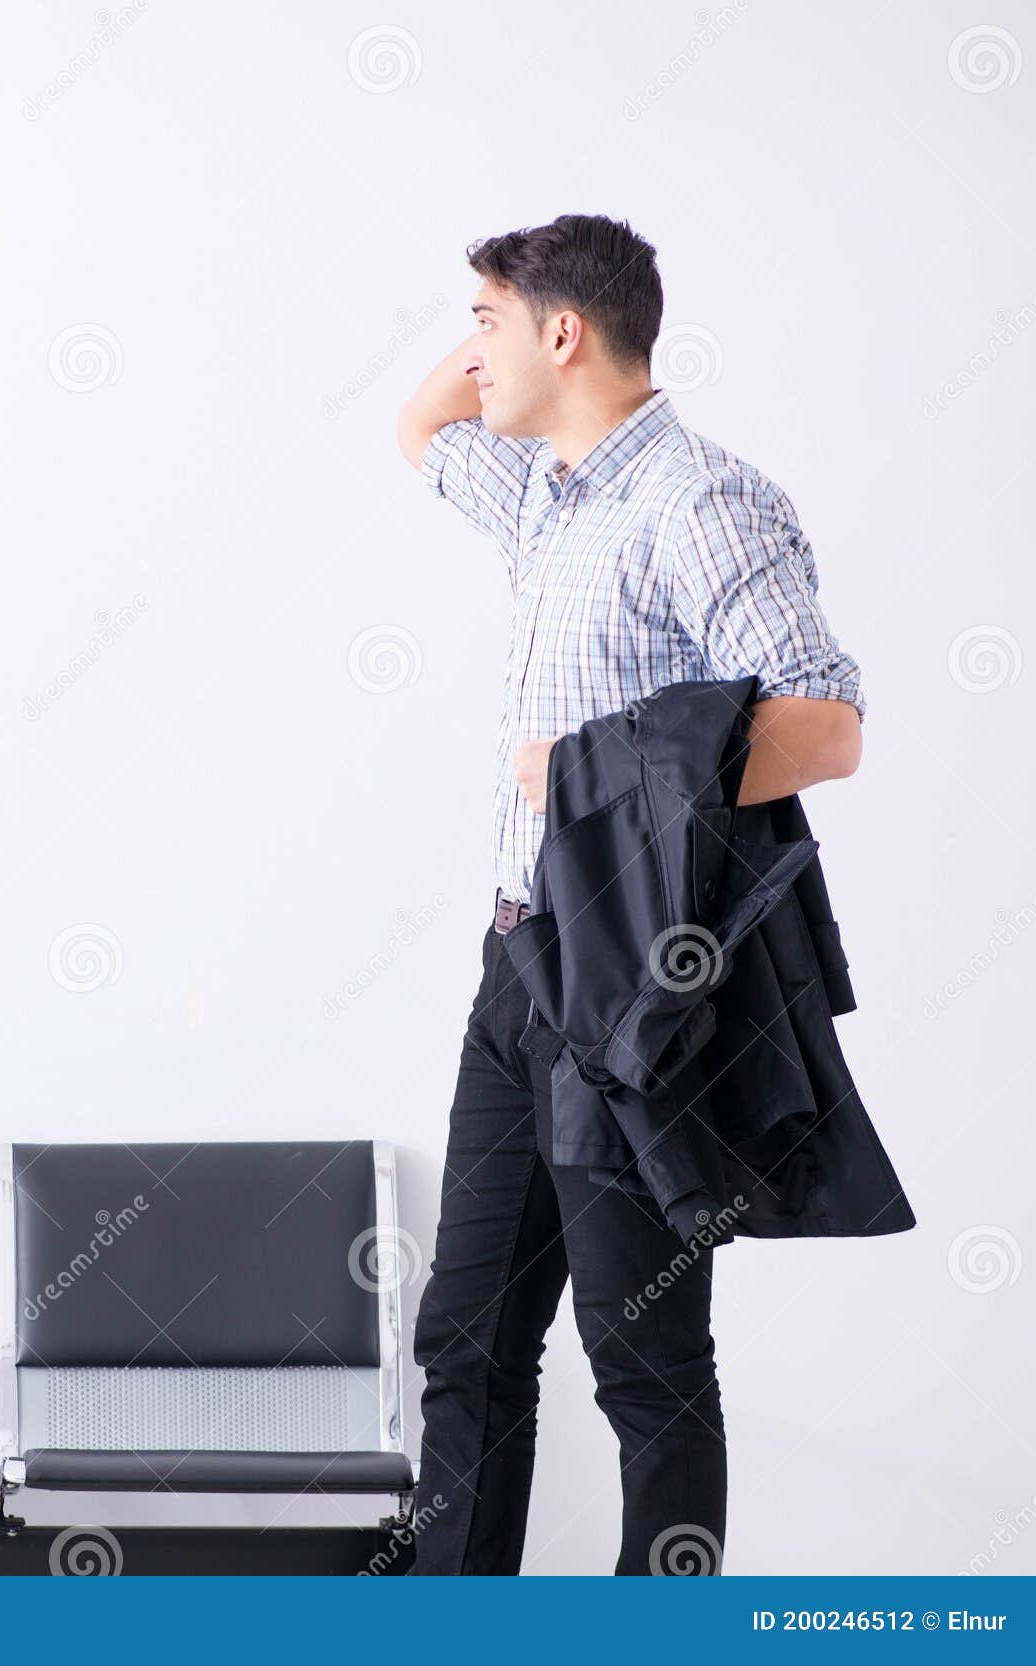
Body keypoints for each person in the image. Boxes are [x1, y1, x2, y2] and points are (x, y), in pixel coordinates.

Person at [397, 213, 867, 1575]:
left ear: (563, 334)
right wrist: (503, 324)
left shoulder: (703, 503)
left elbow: (828, 723)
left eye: (491, 323)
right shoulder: (545, 491)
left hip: (627, 983)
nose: (468, 355)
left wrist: (607, 769)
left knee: (644, 1356)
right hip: (514, 970)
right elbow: (418, 426)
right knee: (468, 1335)